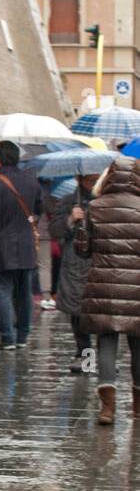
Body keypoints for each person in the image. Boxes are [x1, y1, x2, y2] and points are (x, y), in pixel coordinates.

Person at [74, 157, 140, 424]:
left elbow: (83, 250)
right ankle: (138, 407)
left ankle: (108, 409)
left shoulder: (96, 207)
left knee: (106, 343)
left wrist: (81, 225)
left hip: (103, 285)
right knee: (138, 345)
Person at [0, 141, 43, 351]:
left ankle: (7, 338)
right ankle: (23, 336)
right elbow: (38, 211)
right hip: (26, 247)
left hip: (0, 246)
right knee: (24, 293)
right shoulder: (32, 183)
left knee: (2, 292)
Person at [48, 174, 98, 375]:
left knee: (102, 313)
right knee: (78, 312)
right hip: (76, 263)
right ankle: (85, 354)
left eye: (96, 180)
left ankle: (105, 357)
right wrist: (71, 219)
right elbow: (55, 231)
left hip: (101, 262)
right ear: (80, 179)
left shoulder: (108, 200)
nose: (93, 185)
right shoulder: (69, 200)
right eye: (89, 180)